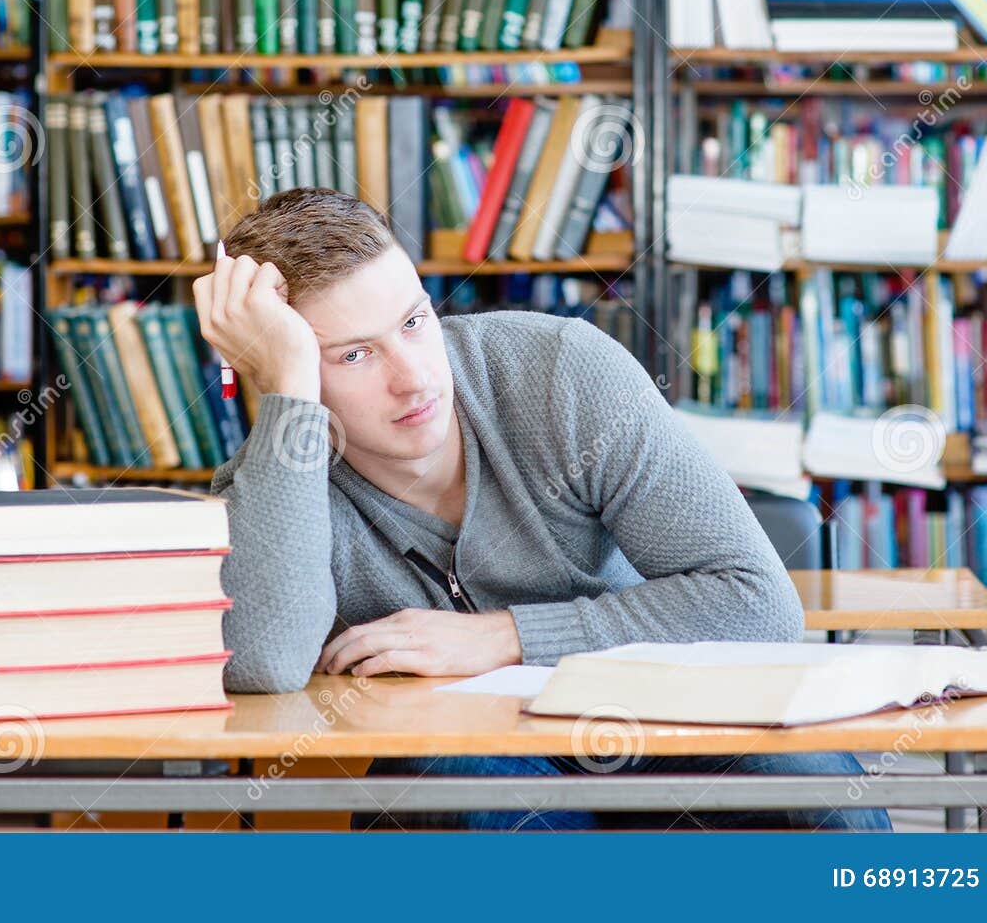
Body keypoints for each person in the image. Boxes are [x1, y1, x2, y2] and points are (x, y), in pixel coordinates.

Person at [193, 187, 888, 831]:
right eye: (352, 354)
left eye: (413, 320)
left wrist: (508, 635)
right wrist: (287, 391)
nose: (413, 376)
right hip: (473, 764)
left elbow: (759, 603)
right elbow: (263, 662)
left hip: (655, 726)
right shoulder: (272, 484)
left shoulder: (559, 371)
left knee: (815, 786)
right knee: (454, 790)